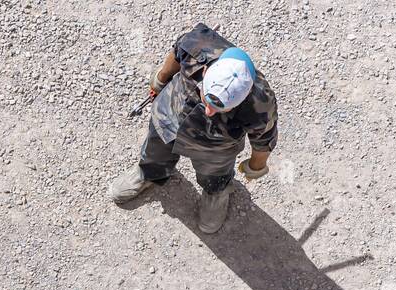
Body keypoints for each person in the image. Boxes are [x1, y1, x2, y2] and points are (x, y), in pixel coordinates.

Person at [109, 23, 279, 233]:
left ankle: (215, 194)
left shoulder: (261, 102)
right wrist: (161, 79)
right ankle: (150, 173)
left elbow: (264, 139)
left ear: (244, 97)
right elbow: (177, 52)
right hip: (169, 116)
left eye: (219, 108)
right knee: (155, 151)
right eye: (206, 98)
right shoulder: (200, 44)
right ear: (206, 70)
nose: (208, 111)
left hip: (215, 148)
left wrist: (255, 167)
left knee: (214, 176)